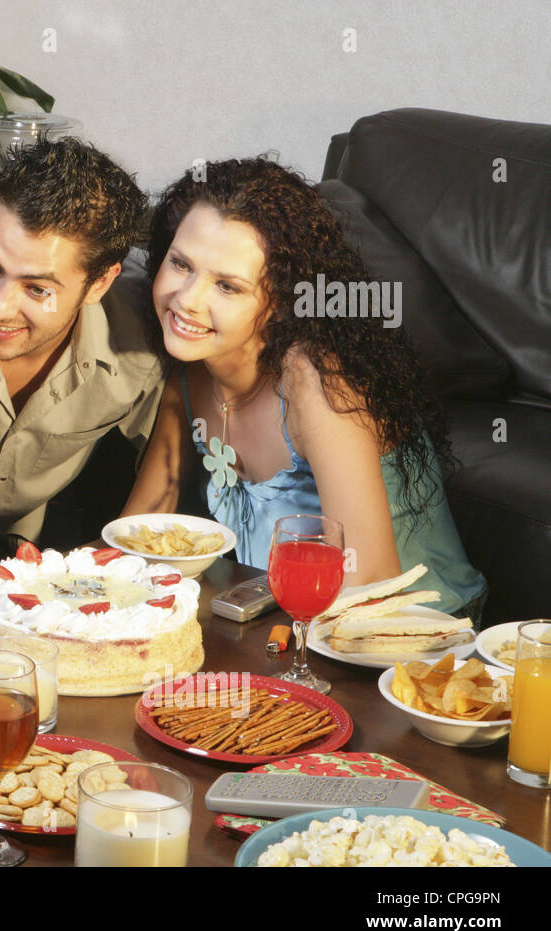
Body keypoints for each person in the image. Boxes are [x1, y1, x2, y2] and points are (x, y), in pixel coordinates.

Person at [122, 157, 486, 618]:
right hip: (284, 615)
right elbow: (138, 529)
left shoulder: (317, 385)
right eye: (180, 264)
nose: (187, 299)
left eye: (228, 287)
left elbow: (370, 585)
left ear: (280, 302)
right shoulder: (191, 365)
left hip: (407, 632)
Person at [0, 138, 162, 597]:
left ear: (101, 282)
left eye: (37, 289)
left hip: (34, 557)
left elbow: (168, 471)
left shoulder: (145, 334)